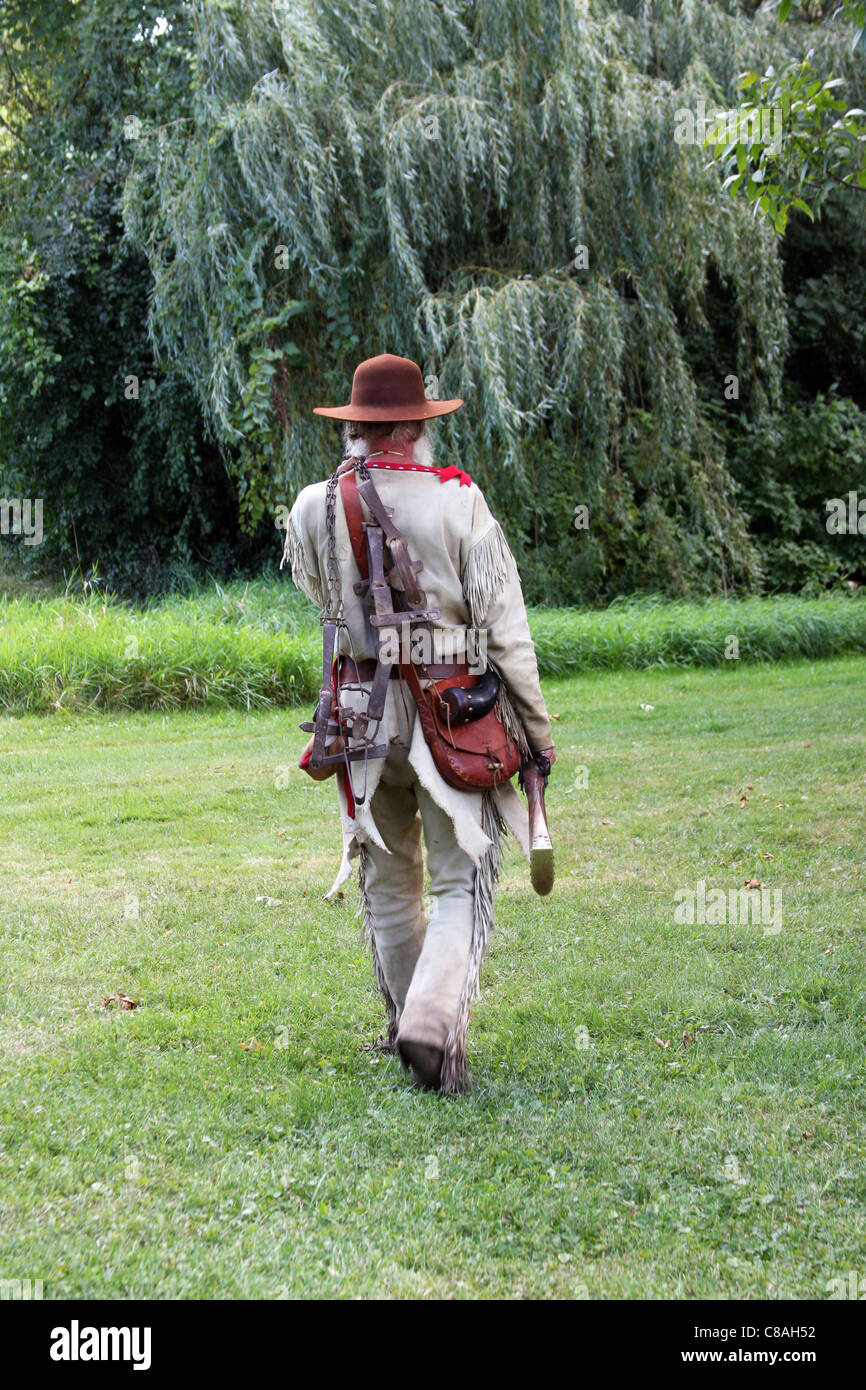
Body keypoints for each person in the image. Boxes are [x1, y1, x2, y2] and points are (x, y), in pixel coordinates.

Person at [283, 353, 554, 1091]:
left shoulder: (313, 506)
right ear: (412, 427)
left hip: (361, 719)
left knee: (388, 882)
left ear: (360, 430)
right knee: (461, 880)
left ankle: (407, 1019)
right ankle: (430, 1026)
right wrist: (537, 730)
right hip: (448, 718)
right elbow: (507, 634)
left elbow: (322, 597)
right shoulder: (457, 501)